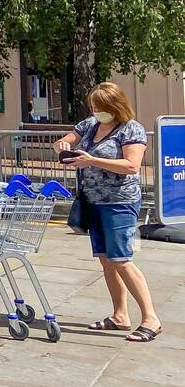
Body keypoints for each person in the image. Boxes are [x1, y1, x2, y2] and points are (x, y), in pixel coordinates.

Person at [54, 81, 161, 343]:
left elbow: (131, 165)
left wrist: (91, 160)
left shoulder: (130, 129)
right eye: (93, 107)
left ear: (115, 106)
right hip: (93, 201)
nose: (95, 111)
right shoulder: (90, 125)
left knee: (121, 259)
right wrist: (63, 147)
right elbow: (66, 139)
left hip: (119, 202)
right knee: (106, 260)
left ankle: (151, 318)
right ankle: (120, 315)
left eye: (100, 107)